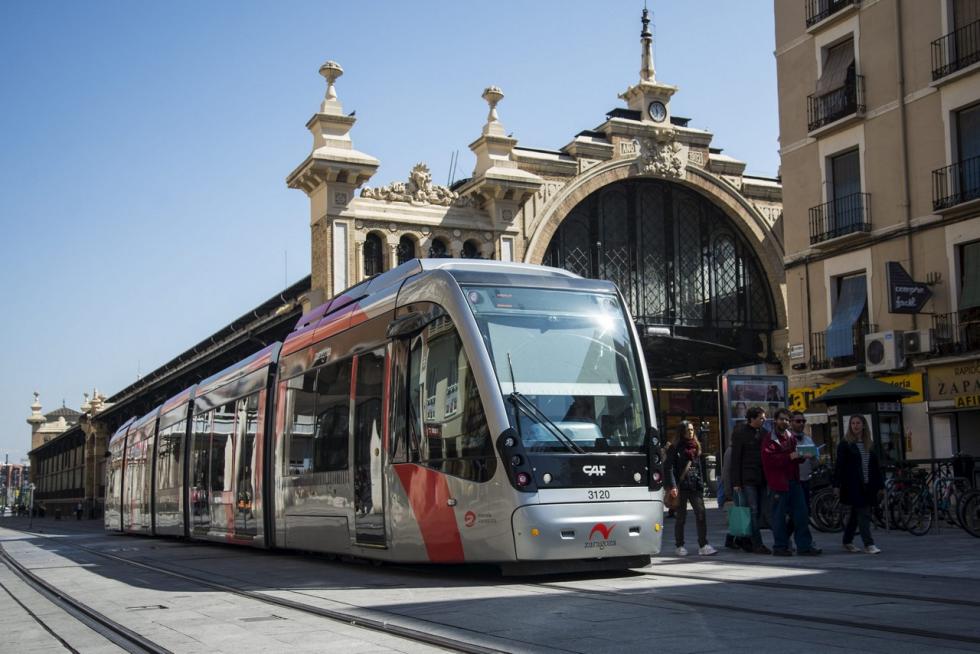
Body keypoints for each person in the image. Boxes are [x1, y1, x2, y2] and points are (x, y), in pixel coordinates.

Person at [762, 409, 821, 556]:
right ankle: (780, 546)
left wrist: (803, 456)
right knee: (779, 517)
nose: (785, 422)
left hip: (794, 481)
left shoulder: (791, 437)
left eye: (787, 420)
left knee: (802, 515)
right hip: (779, 483)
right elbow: (769, 461)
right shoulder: (769, 439)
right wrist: (791, 456)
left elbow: (795, 457)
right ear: (775, 420)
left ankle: (804, 546)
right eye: (782, 419)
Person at [665, 421, 717, 557]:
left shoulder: (696, 446)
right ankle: (679, 545)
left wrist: (701, 483)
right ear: (681, 432)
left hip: (695, 486)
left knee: (701, 514)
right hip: (681, 487)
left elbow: (698, 467)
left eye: (692, 430)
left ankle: (703, 544)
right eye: (688, 430)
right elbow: (669, 468)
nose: (691, 432)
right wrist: (673, 486)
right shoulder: (675, 448)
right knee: (681, 517)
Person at [834, 415, 884, 554]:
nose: (855, 426)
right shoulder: (845, 444)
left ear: (863, 425)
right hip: (853, 485)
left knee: (856, 516)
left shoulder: (869, 443)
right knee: (864, 513)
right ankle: (869, 544)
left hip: (868, 484)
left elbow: (875, 466)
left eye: (858, 423)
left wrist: (880, 485)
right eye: (853, 423)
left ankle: (847, 541)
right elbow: (839, 466)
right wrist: (836, 485)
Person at [730, 406, 771, 554]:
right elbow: (736, 459)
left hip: (762, 478)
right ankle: (757, 543)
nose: (764, 420)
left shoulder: (765, 433)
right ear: (752, 419)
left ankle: (739, 539)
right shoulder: (741, 433)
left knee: (757, 511)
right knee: (752, 510)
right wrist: (736, 482)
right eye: (761, 418)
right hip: (747, 479)